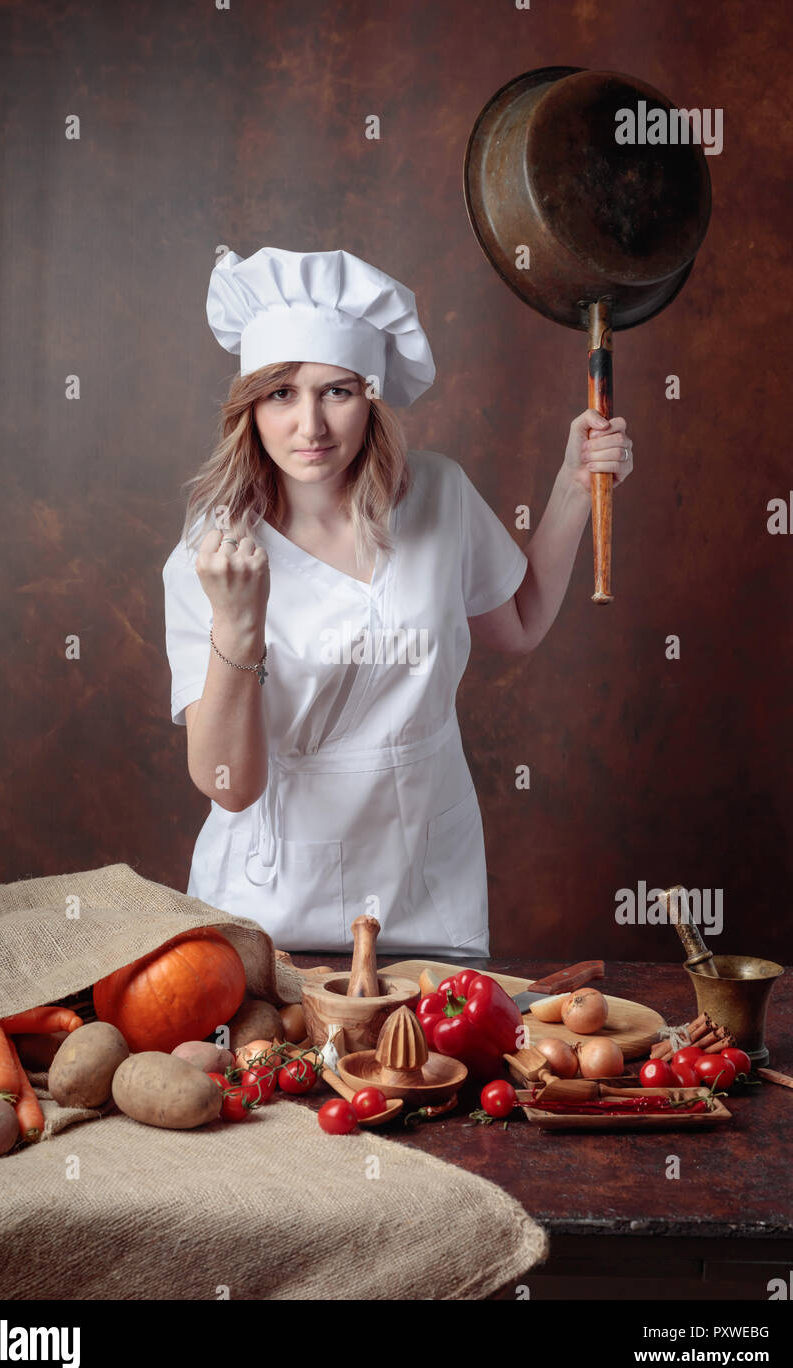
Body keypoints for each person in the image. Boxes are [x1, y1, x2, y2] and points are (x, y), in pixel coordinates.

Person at [163, 246, 633, 957]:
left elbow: (522, 622)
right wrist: (236, 620)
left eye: (338, 391)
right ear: (249, 407)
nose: (311, 427)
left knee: (434, 1069)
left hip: (425, 898)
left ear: (372, 399)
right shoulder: (215, 553)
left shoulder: (440, 494)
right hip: (270, 914)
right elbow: (228, 786)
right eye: (281, 394)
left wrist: (572, 483)